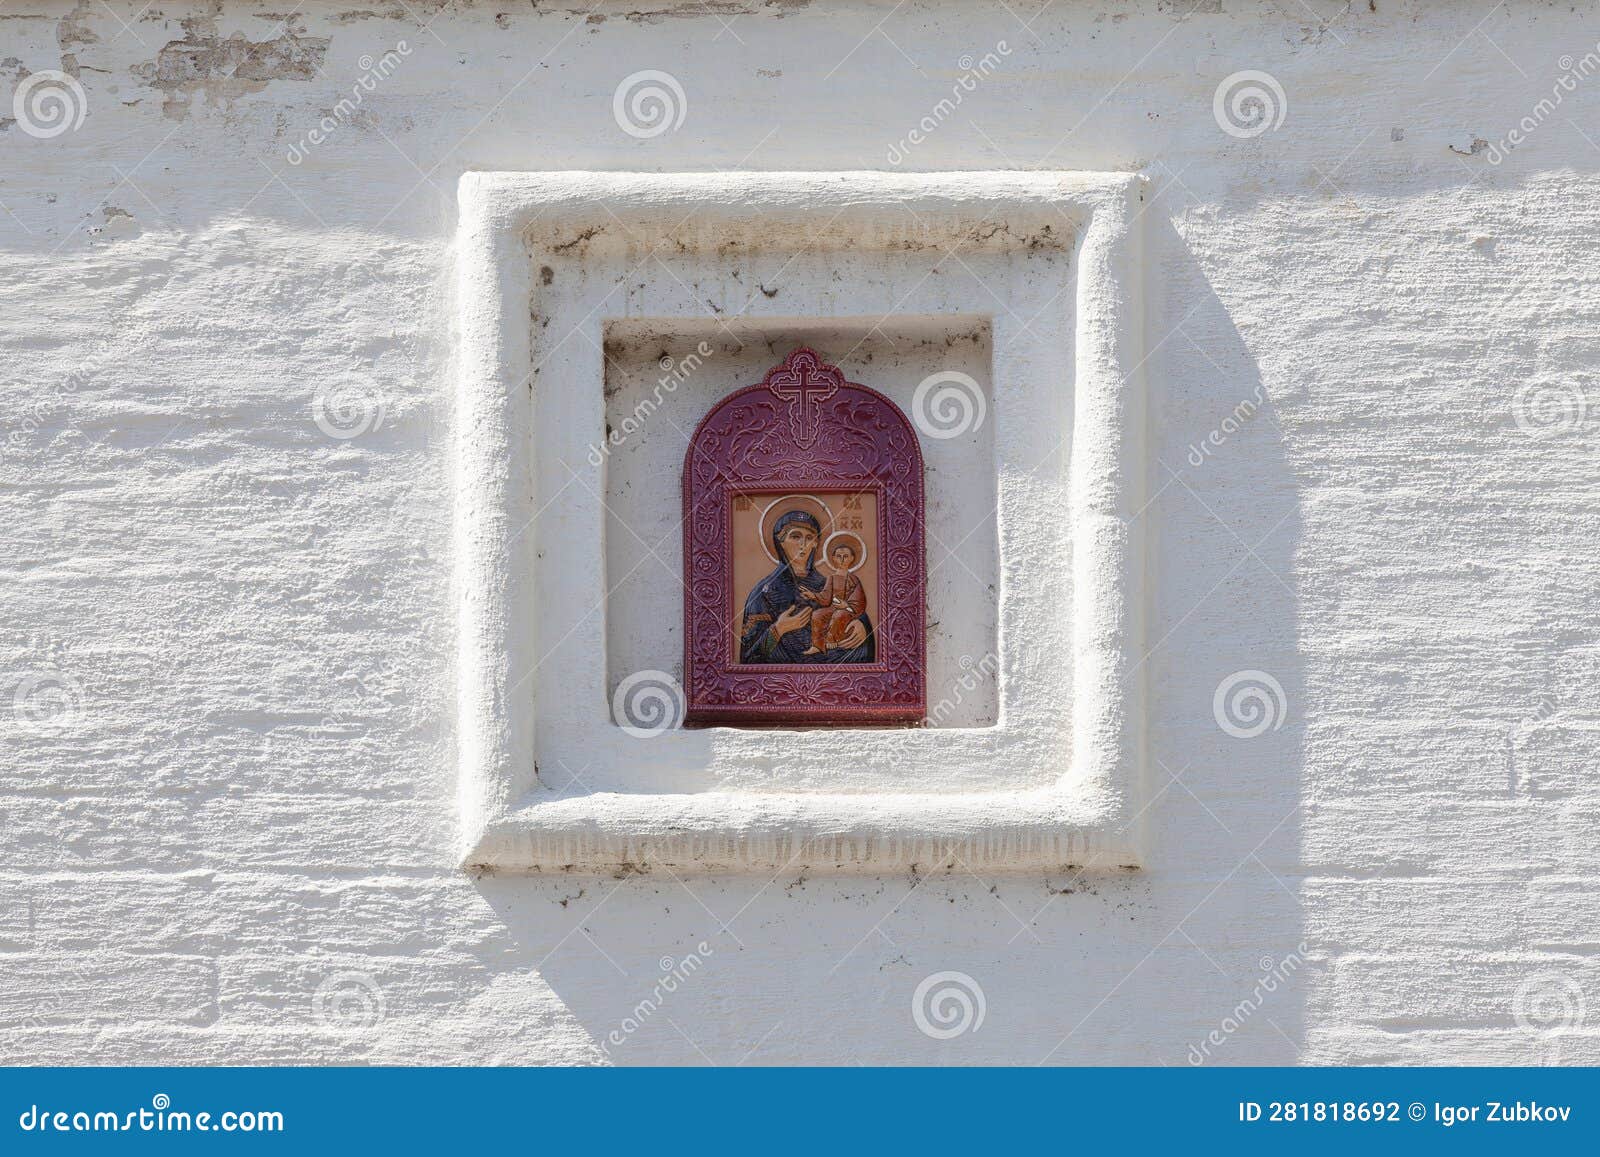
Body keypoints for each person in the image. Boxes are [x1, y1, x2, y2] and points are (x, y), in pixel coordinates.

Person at [738, 510, 873, 664]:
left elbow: (855, 608)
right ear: (780, 540)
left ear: (816, 543)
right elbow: (748, 656)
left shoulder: (828, 583)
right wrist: (779, 629)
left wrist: (863, 627)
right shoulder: (765, 591)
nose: (803, 544)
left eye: (809, 538)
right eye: (795, 536)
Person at [800, 538, 866, 655]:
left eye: (845, 556)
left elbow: (859, 598)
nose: (841, 559)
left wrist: (845, 605)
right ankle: (817, 645)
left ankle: (832, 640)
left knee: (839, 614)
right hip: (833, 607)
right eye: (838, 556)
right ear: (834, 558)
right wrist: (813, 595)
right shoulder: (832, 577)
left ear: (851, 558)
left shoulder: (853, 579)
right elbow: (826, 596)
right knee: (817, 614)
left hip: (847, 609)